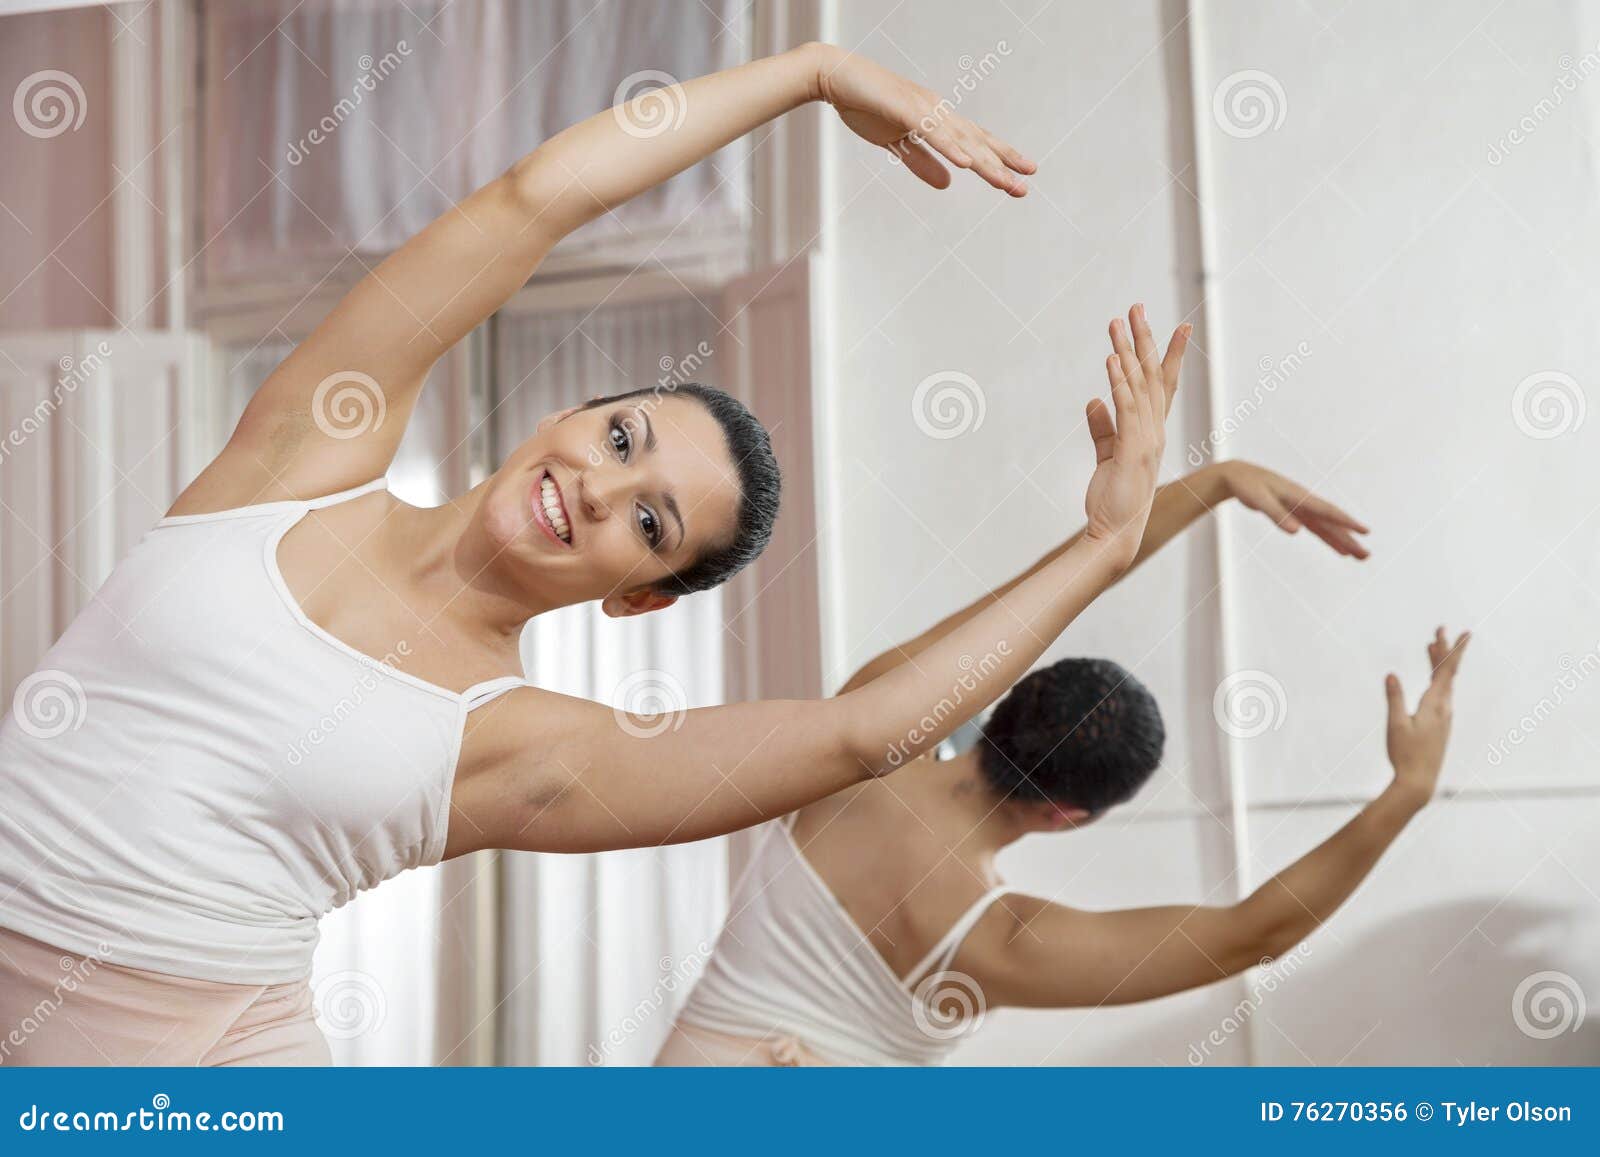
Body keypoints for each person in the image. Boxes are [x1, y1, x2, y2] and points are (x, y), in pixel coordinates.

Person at [0, 43, 1184, 1065]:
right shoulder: (308, 453)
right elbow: (530, 202)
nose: (600, 486)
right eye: (621, 436)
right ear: (567, 416)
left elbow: (862, 734)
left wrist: (1101, 543)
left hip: (195, 1050)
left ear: (640, 596)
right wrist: (811, 75)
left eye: (652, 520)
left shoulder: (520, 740)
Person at [657, 462, 1470, 1066]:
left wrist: (1216, 481)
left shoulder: (872, 722)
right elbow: (1255, 933)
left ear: (996, 704)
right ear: (1067, 814)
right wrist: (1407, 791)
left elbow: (1041, 596)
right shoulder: (1002, 941)